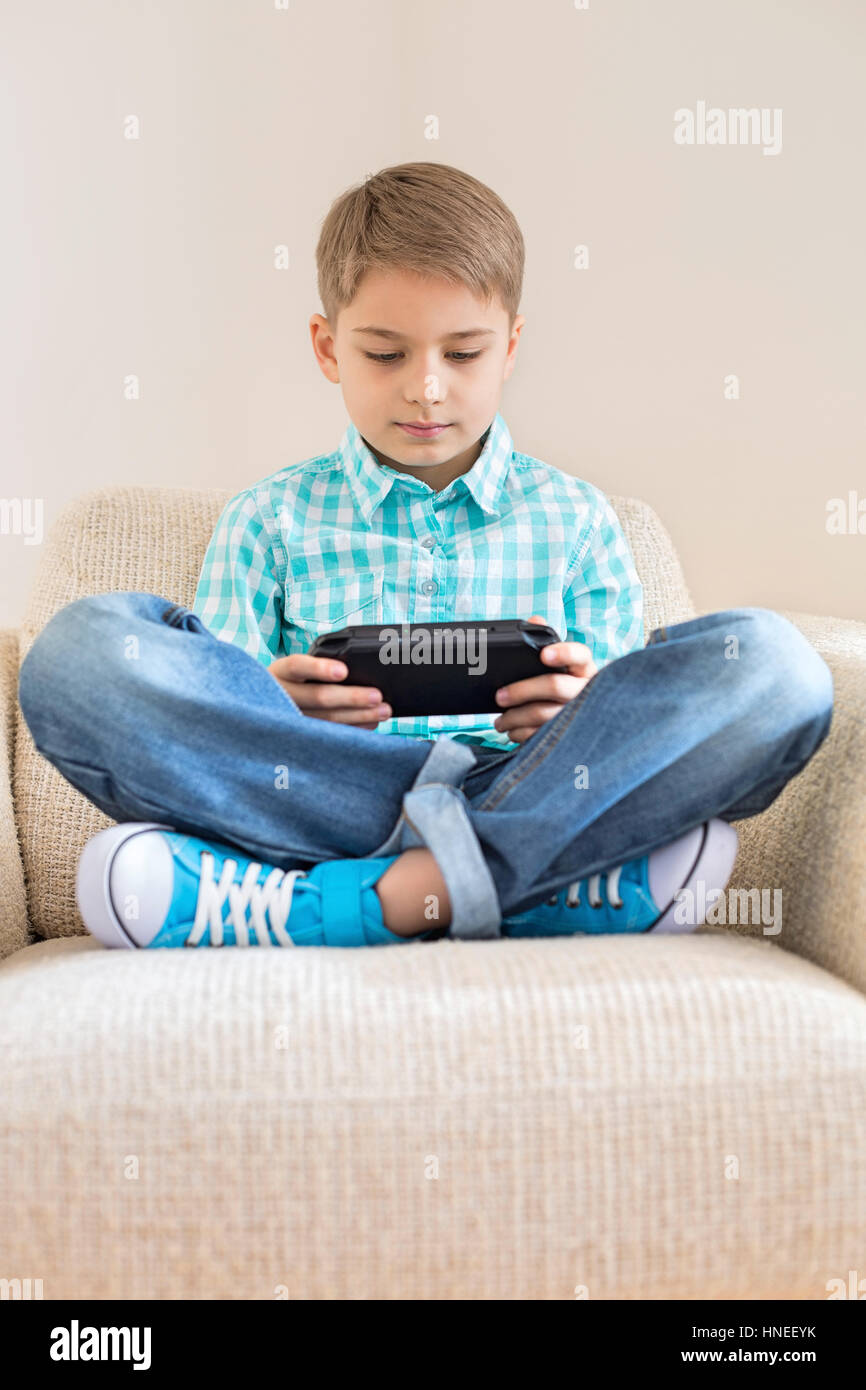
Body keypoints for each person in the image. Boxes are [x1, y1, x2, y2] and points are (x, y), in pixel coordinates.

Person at [17, 162, 834, 950]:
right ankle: (537, 891)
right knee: (77, 655)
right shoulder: (267, 520)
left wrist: (582, 712)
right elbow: (220, 713)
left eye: (464, 354)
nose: (428, 387)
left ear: (511, 348)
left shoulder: (581, 521)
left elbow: (622, 737)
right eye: (385, 354)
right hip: (325, 793)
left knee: (775, 670)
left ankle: (346, 903)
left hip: (533, 790)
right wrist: (276, 703)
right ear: (328, 348)